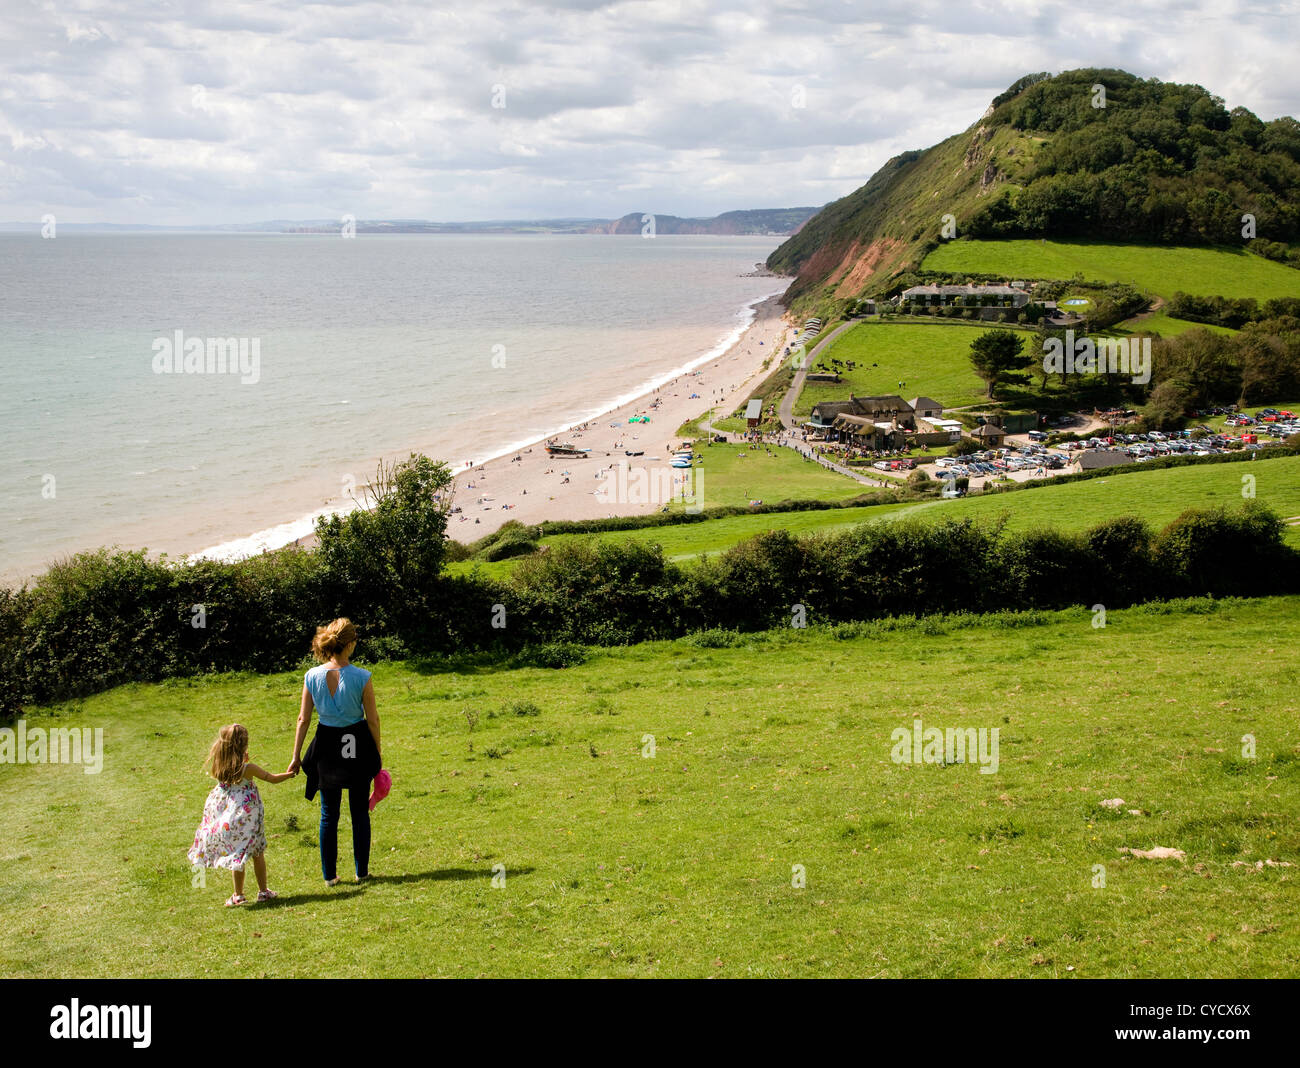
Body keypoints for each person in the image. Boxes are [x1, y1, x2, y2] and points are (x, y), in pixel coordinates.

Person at [290, 619, 383, 886]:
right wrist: (377, 751)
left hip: (326, 745)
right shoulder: (362, 677)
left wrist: (296, 755)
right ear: (351, 644)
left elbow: (303, 719)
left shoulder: (312, 676)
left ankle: (329, 876)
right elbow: (373, 719)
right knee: (359, 812)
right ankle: (361, 872)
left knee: (328, 813)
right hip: (356, 742)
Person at [189, 723, 295, 906]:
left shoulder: (220, 767)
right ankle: (263, 891)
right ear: (243, 746)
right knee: (257, 853)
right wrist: (290, 774)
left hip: (231, 819)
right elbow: (271, 778)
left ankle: (238, 894)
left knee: (237, 855)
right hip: (249, 818)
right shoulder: (248, 769)